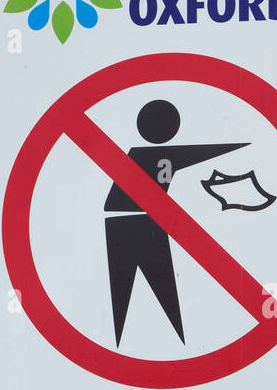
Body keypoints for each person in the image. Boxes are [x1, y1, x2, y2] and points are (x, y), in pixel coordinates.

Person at [104, 99, 246, 346]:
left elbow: (188, 156)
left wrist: (232, 147)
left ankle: (169, 344)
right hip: (134, 225)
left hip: (131, 223)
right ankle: (122, 346)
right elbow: (187, 156)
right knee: (137, 293)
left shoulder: (141, 155)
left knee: (158, 292)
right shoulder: (147, 156)